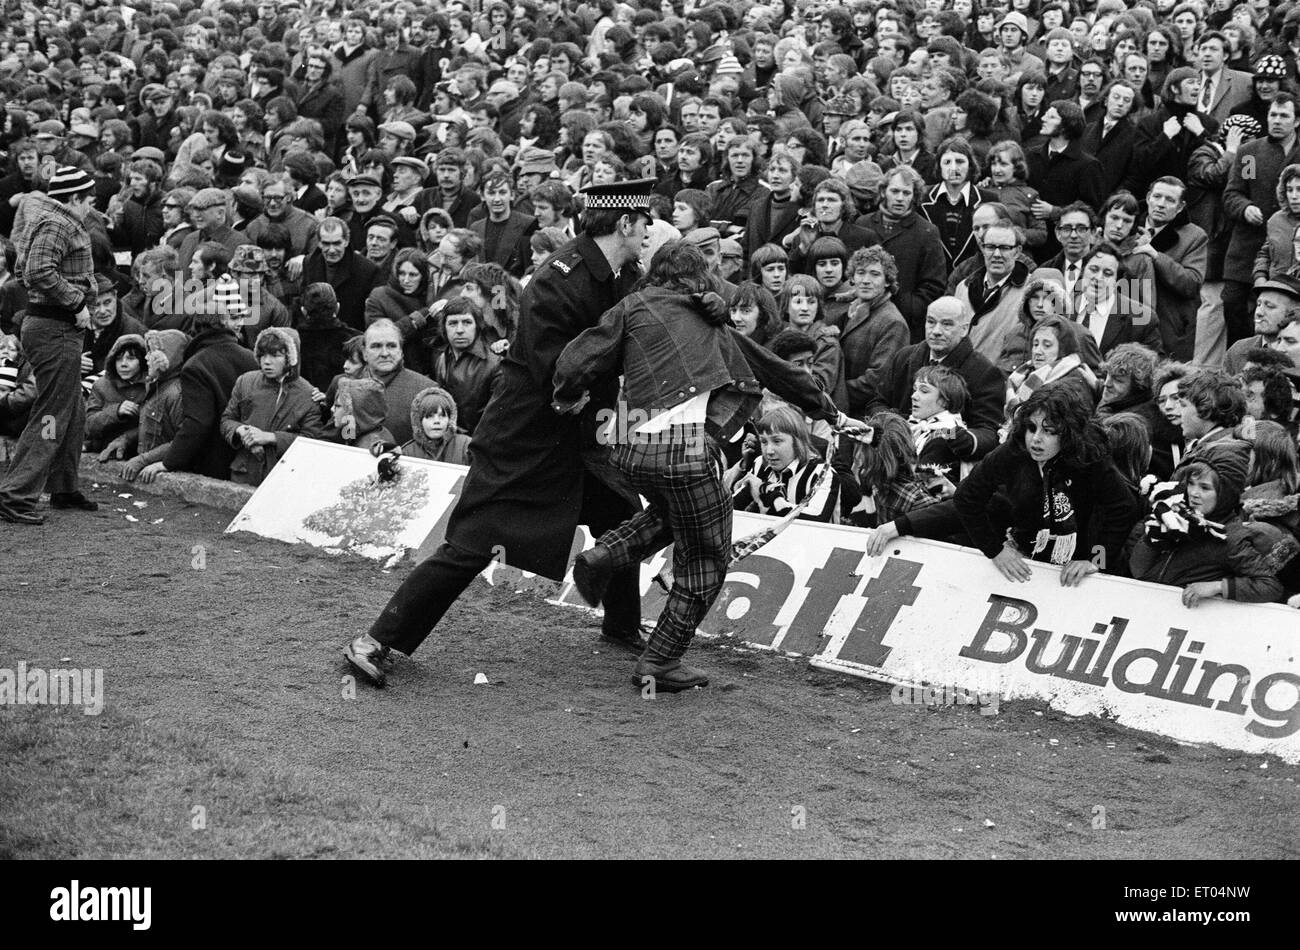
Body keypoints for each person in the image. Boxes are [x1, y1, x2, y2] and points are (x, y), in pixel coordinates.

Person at [345, 179, 661, 688]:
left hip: (578, 436)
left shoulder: (620, 274)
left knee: (621, 518)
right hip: (526, 437)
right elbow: (549, 364)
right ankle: (376, 640)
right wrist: (583, 388)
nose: (648, 232)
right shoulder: (559, 278)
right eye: (644, 222)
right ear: (624, 223)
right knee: (473, 543)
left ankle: (621, 626)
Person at [553, 240, 855, 691]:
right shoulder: (710, 318)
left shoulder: (631, 307)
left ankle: (604, 555)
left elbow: (577, 358)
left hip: (629, 449)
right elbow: (776, 370)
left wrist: (566, 394)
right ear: (699, 279)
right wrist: (830, 412)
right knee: (708, 561)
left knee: (675, 514)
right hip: (686, 454)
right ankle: (661, 661)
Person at [954, 385, 1136, 584]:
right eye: (1031, 428)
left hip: (1082, 560)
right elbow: (966, 497)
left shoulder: (1089, 454)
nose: (1036, 439)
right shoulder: (1014, 450)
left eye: (1049, 431)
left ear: (1067, 434)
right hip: (1029, 549)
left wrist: (1096, 559)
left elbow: (1123, 507)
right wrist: (995, 550)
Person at [0, 167, 100, 524]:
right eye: (89, 198)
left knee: (73, 409)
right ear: (75, 198)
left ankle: (63, 485)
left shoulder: (46, 218)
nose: (92, 205)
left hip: (51, 325)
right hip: (55, 325)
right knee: (52, 413)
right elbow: (40, 270)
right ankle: (16, 493)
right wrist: (77, 303)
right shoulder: (61, 222)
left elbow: (29, 267)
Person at [1124, 440, 1297, 605]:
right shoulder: (1175, 515)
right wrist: (1154, 537)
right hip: (1150, 606)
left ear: (1225, 493)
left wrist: (1217, 587)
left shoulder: (1230, 537)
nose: (1194, 493)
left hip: (1187, 617)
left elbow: (1270, 586)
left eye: (1205, 487)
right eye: (1191, 484)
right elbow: (1139, 571)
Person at [219, 327, 323, 486]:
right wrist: (244, 432)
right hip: (244, 474)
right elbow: (227, 420)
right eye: (262, 355)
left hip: (284, 479)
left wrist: (270, 437)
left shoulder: (308, 394)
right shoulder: (245, 382)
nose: (266, 361)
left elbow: (312, 440)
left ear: (290, 358)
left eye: (275, 355)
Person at [726, 404, 842, 523]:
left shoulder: (822, 473)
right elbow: (727, 509)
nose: (769, 451)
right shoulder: (760, 463)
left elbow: (816, 519)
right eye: (764, 442)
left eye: (777, 441)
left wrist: (767, 491)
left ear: (797, 441)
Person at [403, 385, 472, 464]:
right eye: (429, 416)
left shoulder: (466, 446)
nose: (437, 421)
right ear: (419, 422)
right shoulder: (407, 452)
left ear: (450, 419)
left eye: (442, 416)